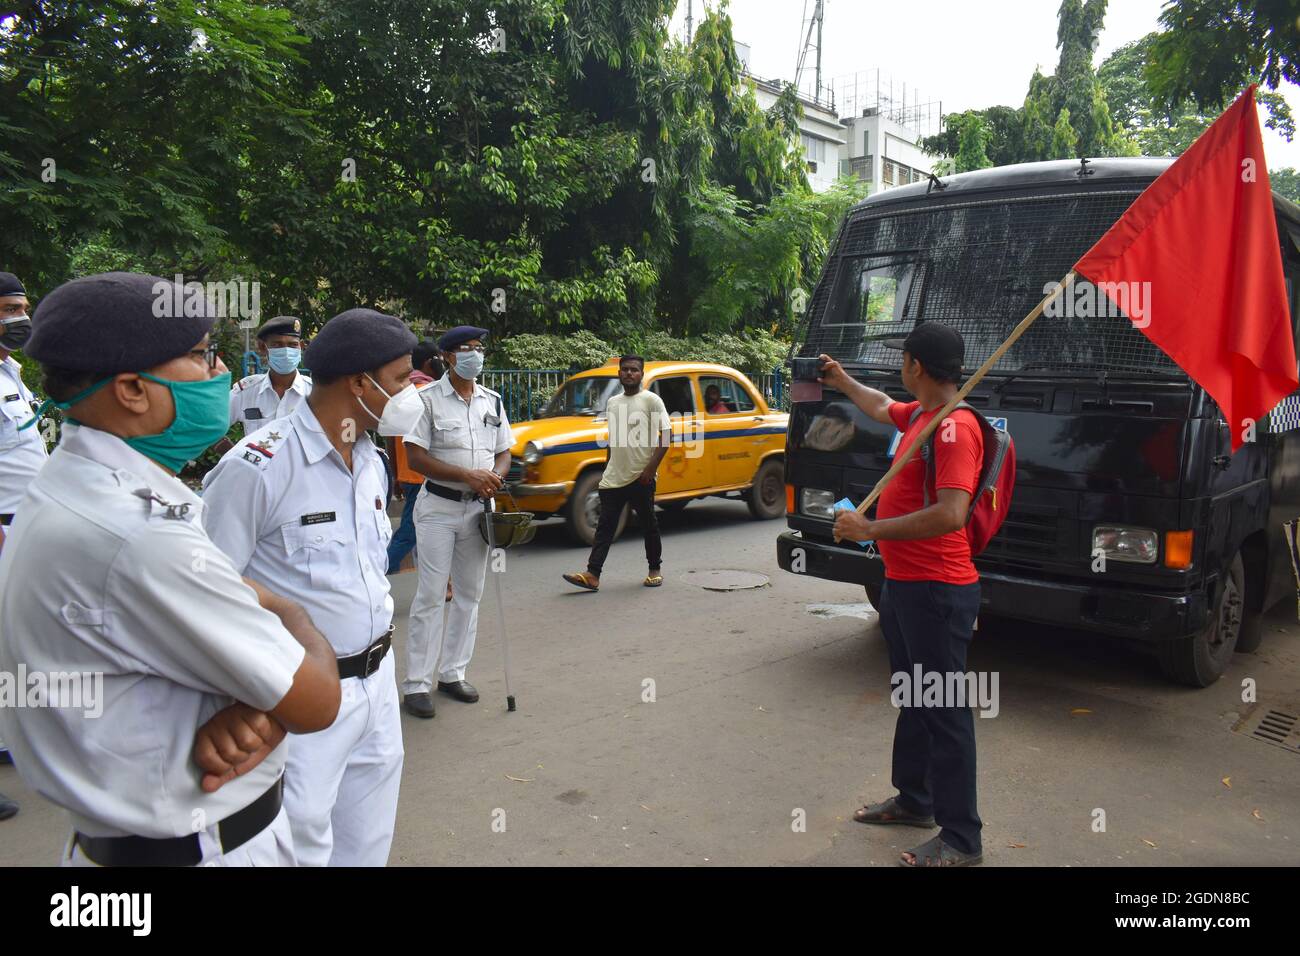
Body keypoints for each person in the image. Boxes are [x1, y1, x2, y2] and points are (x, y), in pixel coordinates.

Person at [0, 271, 340, 866]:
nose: (218, 374)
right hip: (204, 850)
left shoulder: (75, 485)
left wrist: (265, 708)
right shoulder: (137, 536)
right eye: (201, 356)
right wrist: (293, 614)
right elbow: (316, 703)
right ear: (132, 388)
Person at [202, 307, 416, 867]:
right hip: (303, 698)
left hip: (377, 684)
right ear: (359, 383)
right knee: (301, 846)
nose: (410, 392)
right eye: (400, 380)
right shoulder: (258, 466)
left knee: (367, 843)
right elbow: (208, 592)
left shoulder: (370, 459)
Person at [822, 321, 985, 867]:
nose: (899, 366)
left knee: (945, 711)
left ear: (917, 365)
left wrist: (870, 531)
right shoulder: (919, 414)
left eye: (903, 357)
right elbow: (877, 405)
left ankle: (962, 838)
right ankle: (915, 800)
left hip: (938, 591)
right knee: (916, 698)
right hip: (904, 586)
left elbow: (952, 512)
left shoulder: (954, 429)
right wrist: (844, 380)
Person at [400, 325, 512, 719]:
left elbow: (504, 452)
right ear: (447, 356)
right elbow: (415, 458)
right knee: (430, 595)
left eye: (480, 349)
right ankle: (416, 683)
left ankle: (452, 672)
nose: (475, 356)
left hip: (478, 511)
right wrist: (467, 476)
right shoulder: (426, 400)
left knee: (470, 594)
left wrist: (493, 476)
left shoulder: (492, 401)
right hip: (438, 509)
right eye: (467, 349)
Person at [0, 270, 49, 821]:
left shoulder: (12, 374)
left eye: (22, 309)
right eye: (10, 310)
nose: (21, 319)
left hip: (20, 523)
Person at [563, 355, 671, 592]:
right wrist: (606, 469)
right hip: (614, 477)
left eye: (634, 370)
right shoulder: (613, 402)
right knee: (605, 526)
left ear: (641, 374)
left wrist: (650, 470)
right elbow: (613, 439)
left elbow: (666, 438)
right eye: (625, 370)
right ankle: (593, 575)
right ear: (619, 374)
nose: (629, 373)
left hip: (641, 476)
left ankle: (655, 570)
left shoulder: (652, 400)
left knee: (648, 524)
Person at [386, 339, 444, 574]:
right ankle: (375, 573)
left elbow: (391, 436)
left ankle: (444, 584)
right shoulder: (429, 394)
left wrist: (396, 473)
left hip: (408, 473)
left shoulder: (402, 392)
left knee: (427, 531)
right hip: (425, 475)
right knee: (409, 534)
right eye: (440, 359)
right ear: (431, 362)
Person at [226, 315, 312, 435]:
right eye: (277, 345)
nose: (286, 351)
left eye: (292, 345)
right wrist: (230, 450)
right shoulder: (247, 392)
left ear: (301, 347)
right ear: (263, 347)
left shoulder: (314, 393)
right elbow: (210, 425)